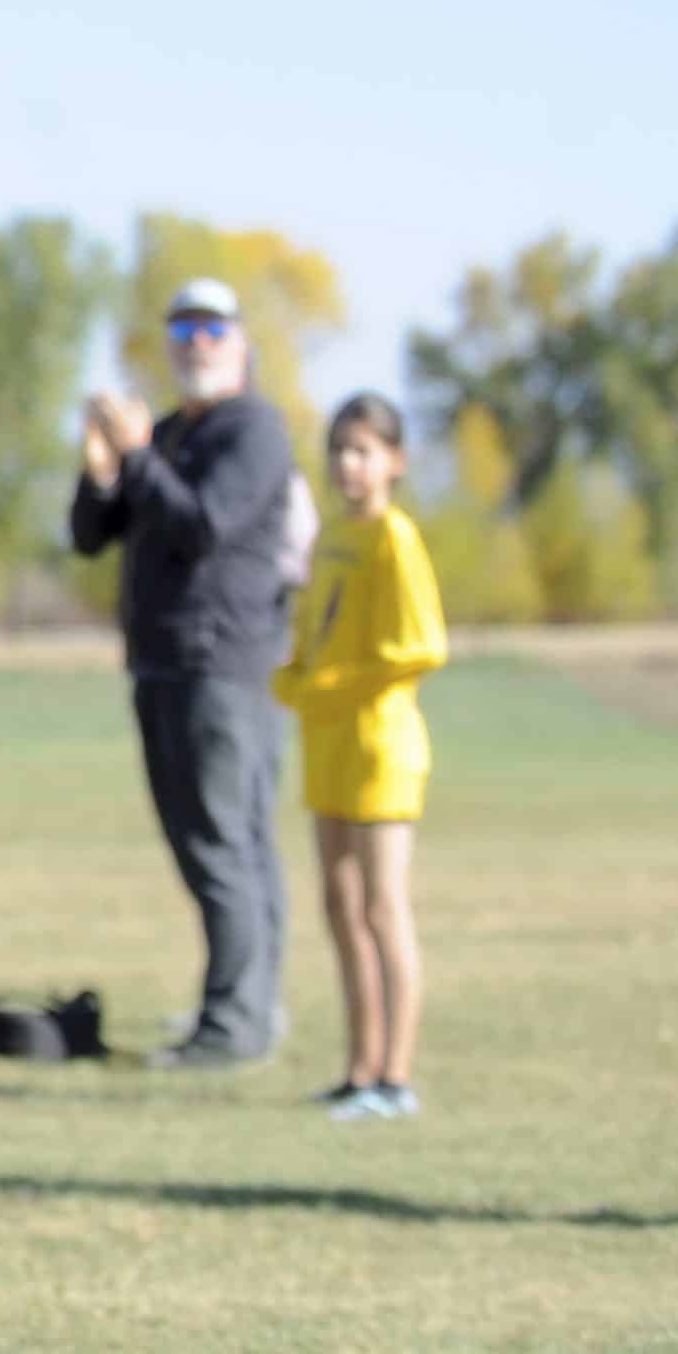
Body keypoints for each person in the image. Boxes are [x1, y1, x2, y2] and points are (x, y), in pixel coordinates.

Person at [71, 278, 296, 1070]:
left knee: (223, 843)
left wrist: (136, 457)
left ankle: (236, 1023)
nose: (195, 343)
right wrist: (104, 468)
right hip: (165, 665)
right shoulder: (169, 433)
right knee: (221, 841)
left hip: (222, 666)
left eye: (211, 328)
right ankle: (250, 1007)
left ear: (239, 343)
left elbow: (202, 525)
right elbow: (91, 536)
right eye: (181, 330)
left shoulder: (255, 431)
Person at [273, 392, 447, 1120]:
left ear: (394, 463)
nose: (349, 464)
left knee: (382, 907)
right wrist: (296, 675)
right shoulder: (331, 539)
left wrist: (339, 683)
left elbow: (422, 647)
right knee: (339, 905)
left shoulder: (394, 539)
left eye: (364, 450)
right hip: (328, 741)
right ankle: (359, 1067)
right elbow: (316, 633)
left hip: (381, 745)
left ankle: (395, 1078)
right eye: (340, 449)